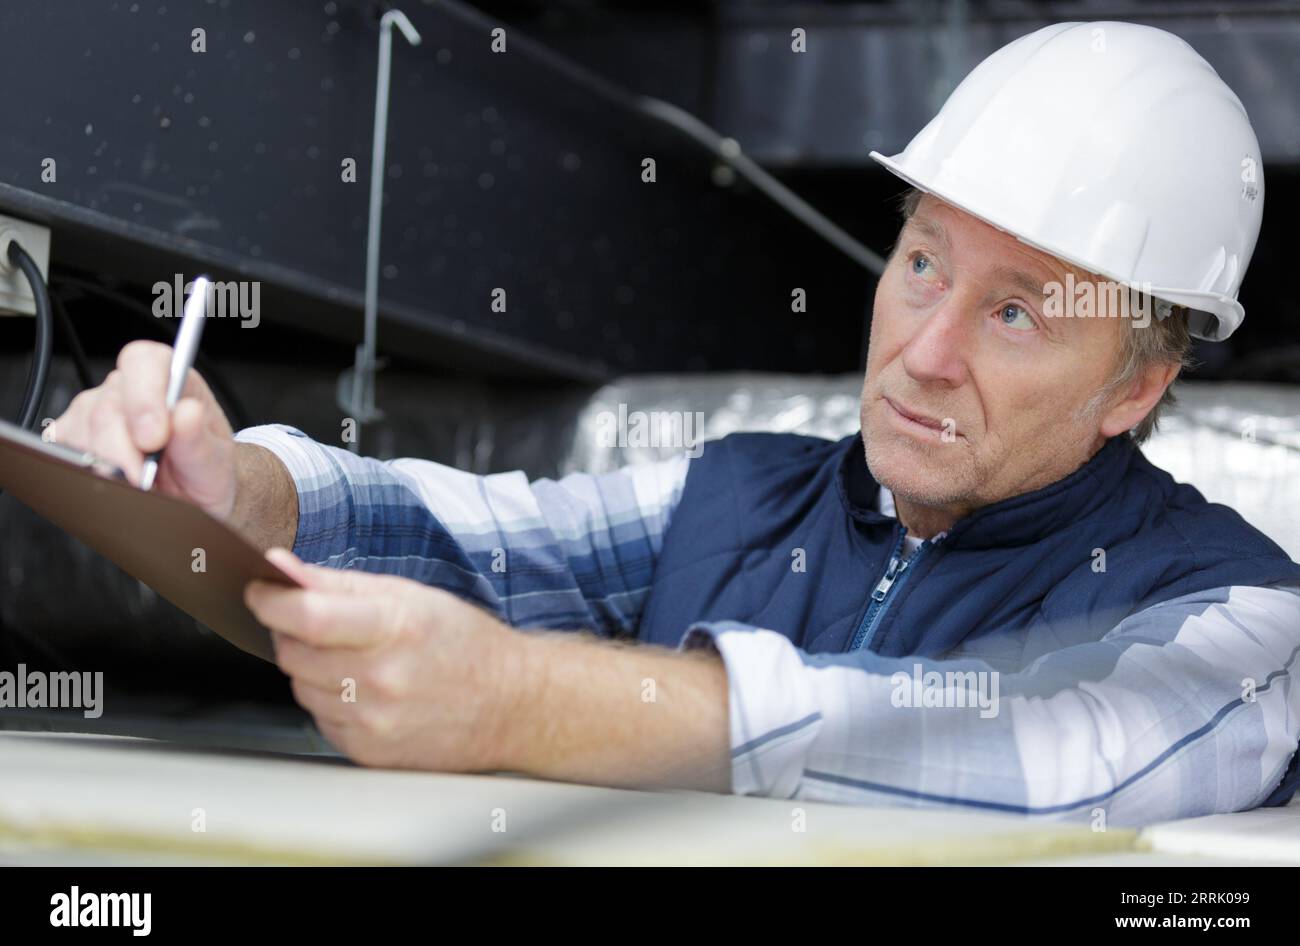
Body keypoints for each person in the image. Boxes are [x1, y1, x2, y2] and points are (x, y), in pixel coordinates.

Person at [51, 21, 1300, 826]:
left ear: (1136, 384)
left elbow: (1058, 761)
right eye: (923, 265)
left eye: (1017, 312)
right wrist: (236, 490)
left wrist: (530, 703)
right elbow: (472, 536)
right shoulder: (745, 493)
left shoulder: (1235, 616)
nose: (923, 351)